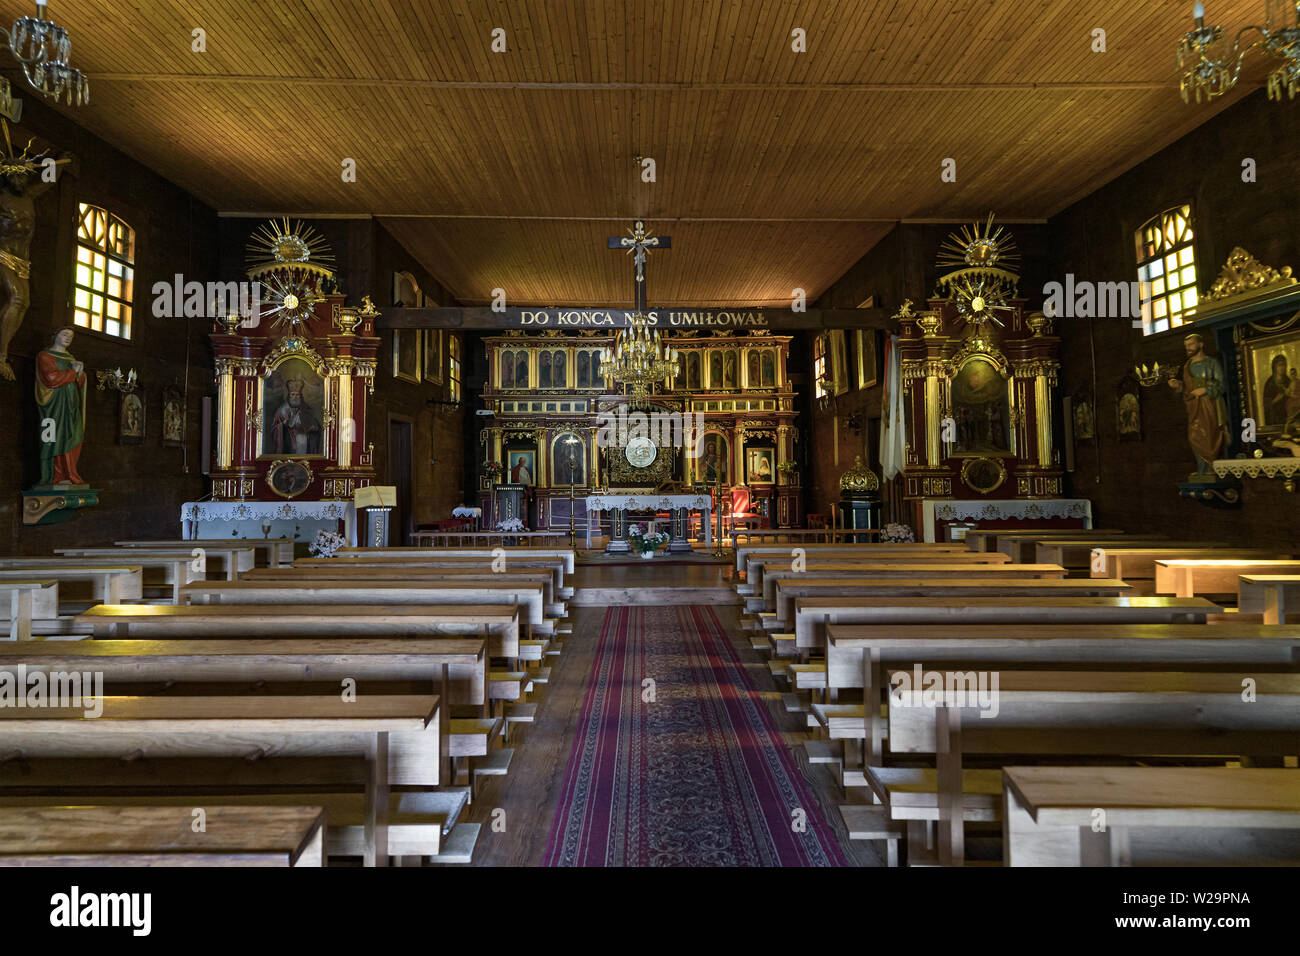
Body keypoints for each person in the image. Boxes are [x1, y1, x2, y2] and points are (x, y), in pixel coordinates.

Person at [1168, 332, 1229, 478]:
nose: (1188, 348)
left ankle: (1212, 467)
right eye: (1186, 346)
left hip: (1210, 405)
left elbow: (1223, 385)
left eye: (1191, 344)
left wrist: (1205, 390)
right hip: (1194, 407)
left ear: (1201, 344)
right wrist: (1179, 386)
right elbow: (1188, 391)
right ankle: (1202, 469)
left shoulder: (1211, 363)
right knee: (1194, 436)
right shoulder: (1187, 367)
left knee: (1210, 435)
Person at [35, 326, 87, 485]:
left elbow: (79, 383)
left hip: (71, 405)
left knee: (73, 436)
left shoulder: (71, 358)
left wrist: (80, 373)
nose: (68, 338)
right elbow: (51, 379)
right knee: (55, 437)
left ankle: (70, 473)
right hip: (54, 406)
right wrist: (73, 372)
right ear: (54, 335)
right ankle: (55, 477)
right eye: (64, 334)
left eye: (71, 336)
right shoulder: (45, 356)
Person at [269, 375, 322, 455]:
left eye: (297, 395)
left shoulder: (306, 410)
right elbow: (274, 430)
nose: (295, 397)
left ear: (301, 396)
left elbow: (316, 428)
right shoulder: (281, 410)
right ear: (289, 396)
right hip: (288, 444)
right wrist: (283, 425)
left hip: (305, 444)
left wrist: (311, 429)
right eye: (292, 394)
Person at [1262, 354, 1291, 427]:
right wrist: (1276, 399)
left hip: (1288, 417)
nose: (1282, 368)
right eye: (1279, 365)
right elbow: (1266, 405)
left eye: (1284, 365)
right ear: (1275, 367)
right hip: (1274, 419)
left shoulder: (1289, 381)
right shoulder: (1270, 383)